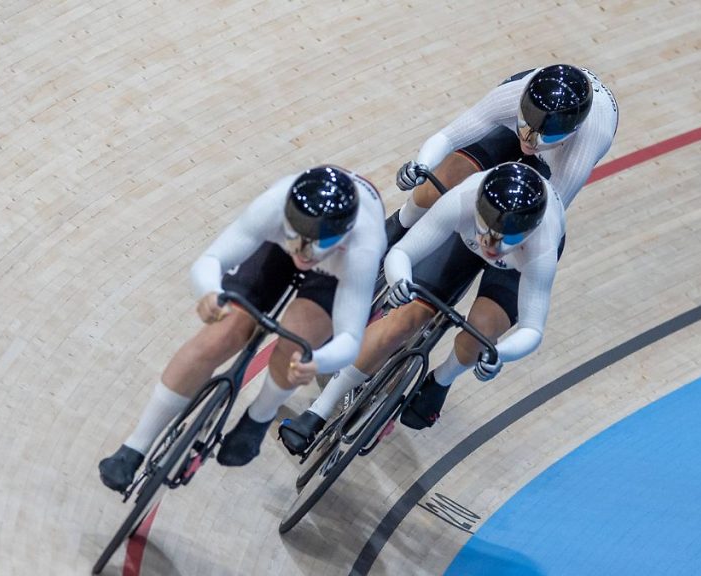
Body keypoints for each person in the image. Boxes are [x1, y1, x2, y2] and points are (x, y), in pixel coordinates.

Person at [98, 165, 386, 492]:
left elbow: (350, 337)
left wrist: (317, 362)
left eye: (320, 241)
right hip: (278, 249)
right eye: (299, 235)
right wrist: (209, 292)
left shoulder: (363, 247)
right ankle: (134, 446)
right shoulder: (274, 205)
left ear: (345, 234)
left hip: (335, 273)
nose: (306, 251)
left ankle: (259, 417)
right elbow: (210, 261)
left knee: (297, 346)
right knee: (220, 334)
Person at [279, 162, 565, 453]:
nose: (491, 244)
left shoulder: (541, 248)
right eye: (487, 229)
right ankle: (318, 411)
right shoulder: (461, 201)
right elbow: (403, 251)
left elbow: (532, 328)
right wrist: (401, 280)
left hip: (513, 268)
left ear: (530, 231)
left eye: (508, 238)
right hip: (462, 241)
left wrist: (498, 353)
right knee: (404, 319)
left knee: (479, 337)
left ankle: (442, 379)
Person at [385, 63, 617, 246]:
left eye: (546, 134)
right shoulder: (512, 96)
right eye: (526, 126)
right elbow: (447, 137)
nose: (529, 139)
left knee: (512, 220)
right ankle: (402, 221)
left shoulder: (584, 148)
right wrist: (421, 166)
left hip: (557, 157)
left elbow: (546, 218)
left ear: (572, 132)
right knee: (450, 171)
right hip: (510, 126)